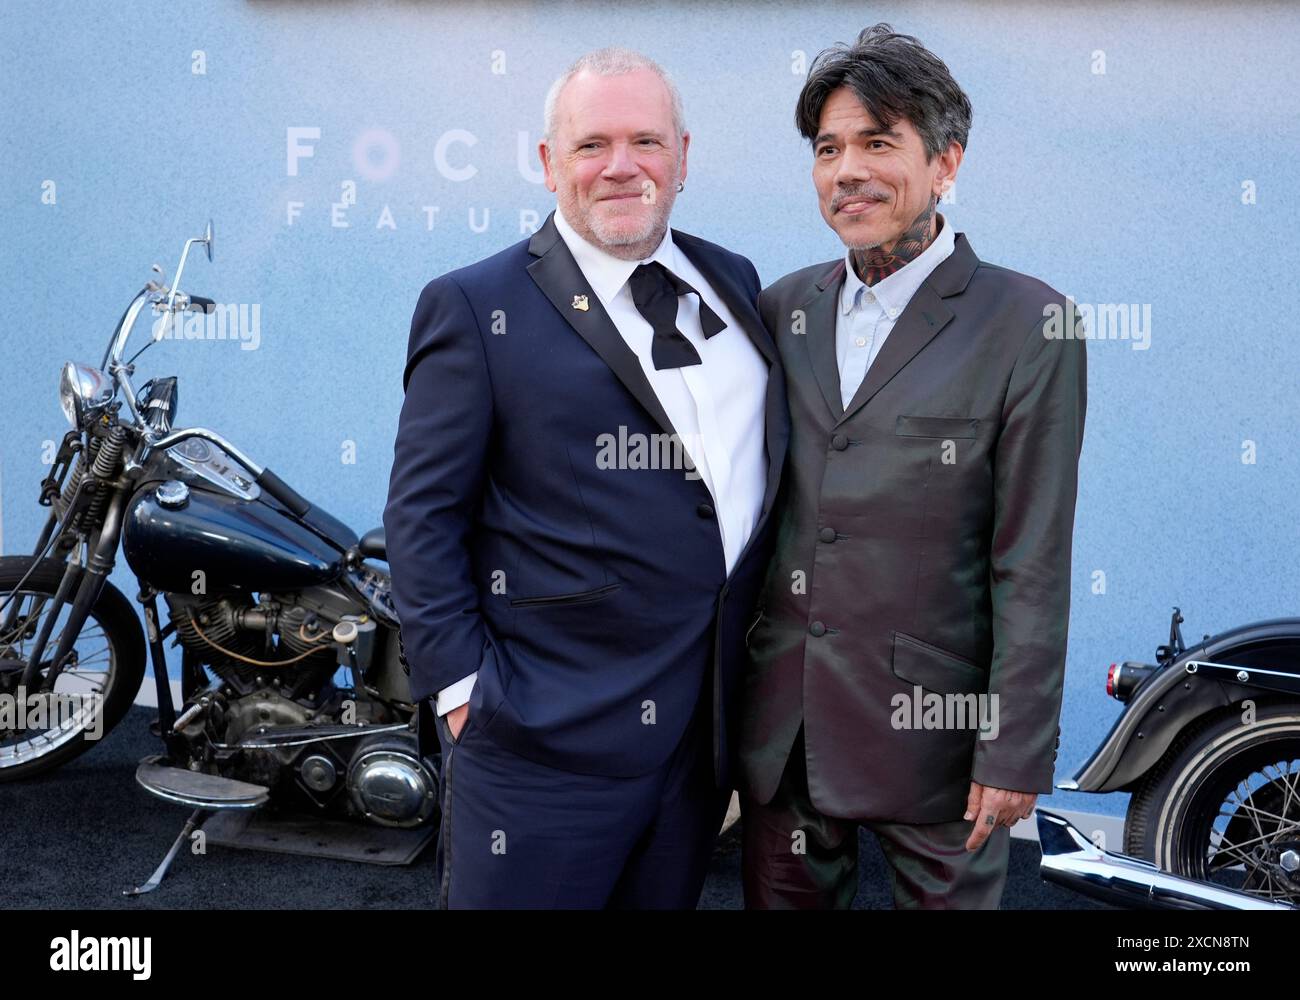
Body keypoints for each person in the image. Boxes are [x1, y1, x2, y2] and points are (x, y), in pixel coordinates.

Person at [382, 47, 787, 908]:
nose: (620, 166)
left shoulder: (734, 281)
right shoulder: (473, 306)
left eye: (645, 140)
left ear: (683, 155)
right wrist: (465, 698)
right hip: (541, 746)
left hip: (699, 744)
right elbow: (423, 518)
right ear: (547, 163)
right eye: (592, 143)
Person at [738, 23, 1087, 909]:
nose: (847, 170)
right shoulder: (782, 309)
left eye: (877, 142)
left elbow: (1032, 557)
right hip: (786, 734)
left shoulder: (1031, 325)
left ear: (946, 162)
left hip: (938, 742)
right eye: (828, 149)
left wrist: (1014, 751)